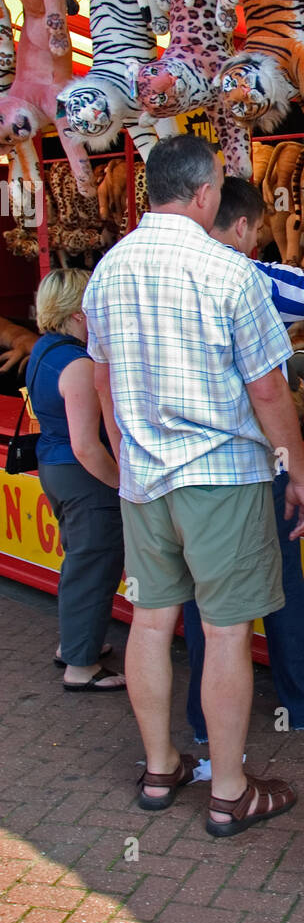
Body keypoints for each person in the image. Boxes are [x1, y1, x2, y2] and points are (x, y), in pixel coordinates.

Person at [83, 136, 304, 837]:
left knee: (151, 624)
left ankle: (160, 770)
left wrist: (127, 450)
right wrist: (298, 471)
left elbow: (102, 379)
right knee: (224, 635)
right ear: (206, 194)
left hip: (145, 479)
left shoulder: (108, 269)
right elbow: (269, 392)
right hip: (222, 476)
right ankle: (231, 792)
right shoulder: (230, 272)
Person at [183, 177, 304, 738]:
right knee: (279, 584)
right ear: (247, 227)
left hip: (172, 470)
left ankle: (204, 722)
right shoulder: (246, 273)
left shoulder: (138, 269)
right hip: (249, 463)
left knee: (202, 597)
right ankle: (301, 702)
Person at [26, 269, 126, 692]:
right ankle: (81, 667)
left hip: (53, 467)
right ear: (79, 312)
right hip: (82, 476)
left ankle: (74, 644)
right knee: (95, 564)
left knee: (78, 561)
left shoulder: (44, 350)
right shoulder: (78, 364)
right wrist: (123, 485)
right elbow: (87, 445)